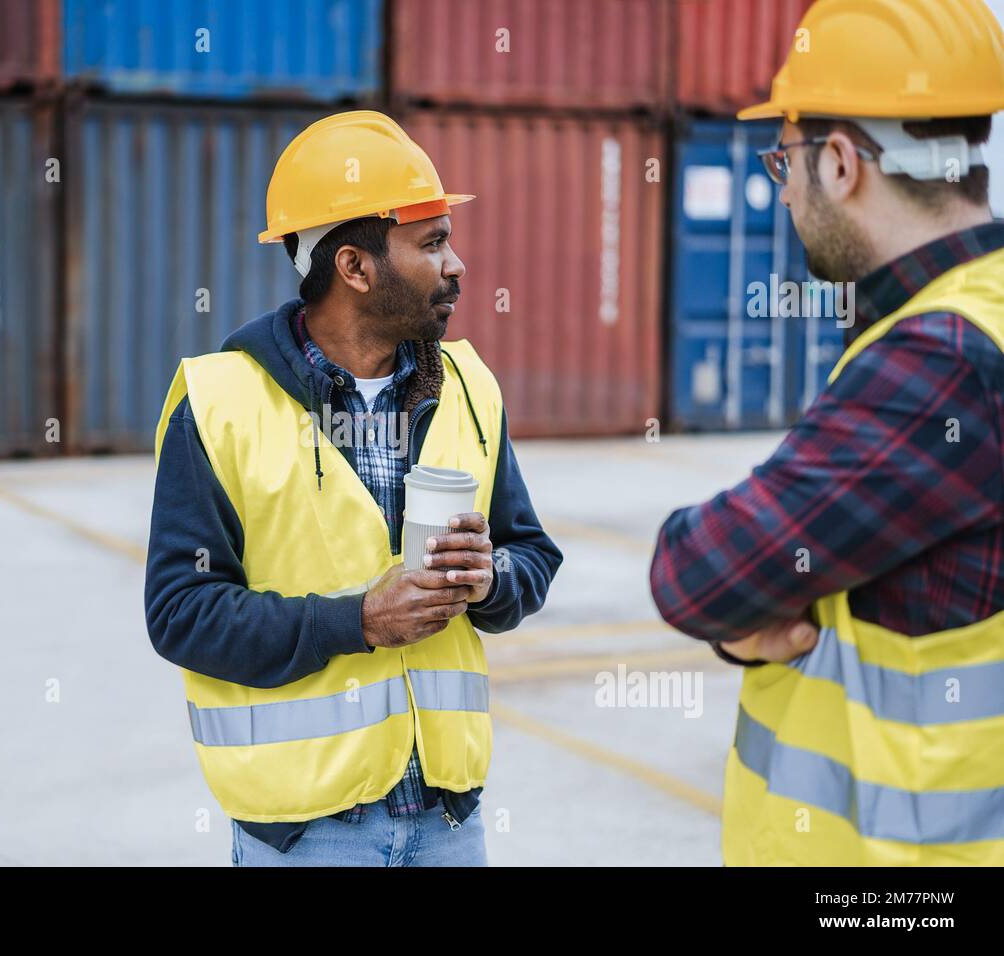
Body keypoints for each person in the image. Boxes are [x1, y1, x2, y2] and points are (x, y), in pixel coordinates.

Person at [145, 110, 562, 866]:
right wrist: (358, 621)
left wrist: (491, 580)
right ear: (355, 268)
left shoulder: (469, 386)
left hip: (448, 822)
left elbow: (531, 552)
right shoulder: (218, 404)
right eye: (432, 243)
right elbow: (181, 615)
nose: (457, 265)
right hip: (309, 835)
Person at [651, 0, 1004, 865]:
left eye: (785, 159)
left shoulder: (944, 360)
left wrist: (740, 619)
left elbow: (697, 574)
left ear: (841, 161)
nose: (785, 186)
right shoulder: (972, 316)